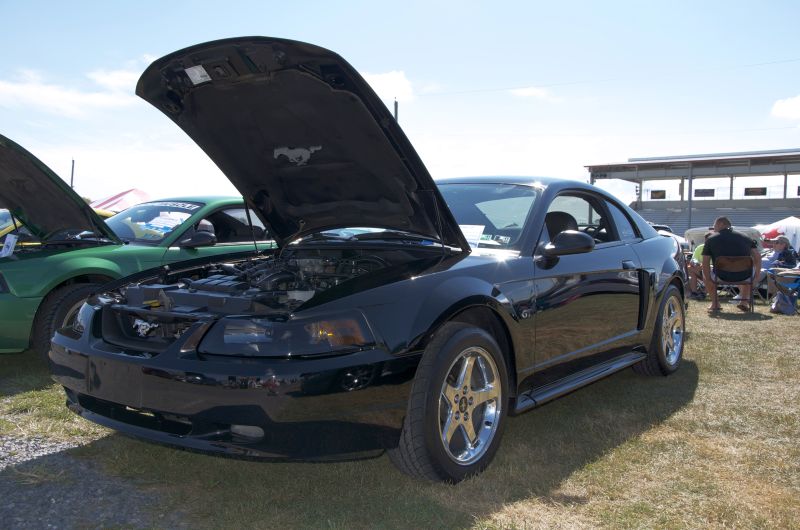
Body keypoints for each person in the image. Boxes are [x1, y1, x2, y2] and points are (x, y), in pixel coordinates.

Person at [702, 216, 761, 312]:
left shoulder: (711, 239)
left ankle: (715, 303)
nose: (714, 227)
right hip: (744, 276)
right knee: (748, 268)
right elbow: (757, 257)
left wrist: (708, 279)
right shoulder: (746, 237)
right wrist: (757, 276)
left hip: (721, 275)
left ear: (721, 224)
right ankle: (744, 302)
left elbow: (705, 261)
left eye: (715, 225)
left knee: (705, 274)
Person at [687, 232, 713, 299]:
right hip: (701, 270)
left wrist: (704, 266)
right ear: (705, 240)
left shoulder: (718, 248)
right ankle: (694, 292)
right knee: (689, 268)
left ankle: (704, 293)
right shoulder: (700, 248)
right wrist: (695, 263)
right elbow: (693, 260)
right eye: (708, 239)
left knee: (707, 267)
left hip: (714, 273)